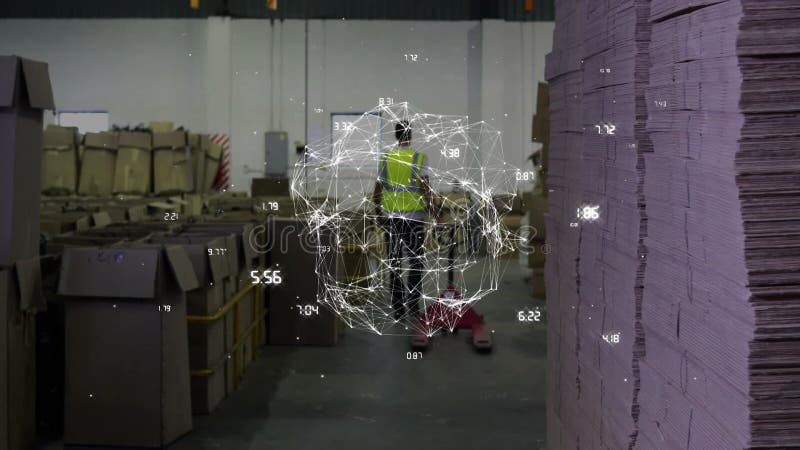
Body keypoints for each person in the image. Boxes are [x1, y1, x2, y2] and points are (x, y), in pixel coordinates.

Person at [373, 121, 438, 321]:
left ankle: (398, 307)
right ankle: (413, 303)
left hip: (391, 218)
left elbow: (377, 190)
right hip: (414, 219)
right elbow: (425, 187)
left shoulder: (386, 158)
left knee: (394, 263)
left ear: (396, 135)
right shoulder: (419, 158)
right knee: (416, 262)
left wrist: (378, 213)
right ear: (411, 135)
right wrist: (434, 210)